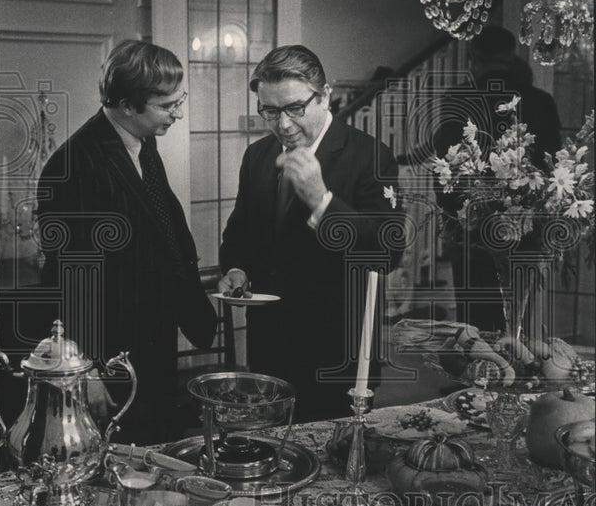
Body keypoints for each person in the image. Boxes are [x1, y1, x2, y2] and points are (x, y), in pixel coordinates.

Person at [37, 39, 217, 444]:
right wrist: (86, 367)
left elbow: (157, 228)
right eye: (167, 105)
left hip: (153, 338)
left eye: (179, 100)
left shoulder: (142, 141)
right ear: (126, 105)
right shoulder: (73, 164)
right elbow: (68, 279)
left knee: (158, 447)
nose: (178, 113)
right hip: (111, 354)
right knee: (122, 456)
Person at [218, 44, 401, 423]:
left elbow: (386, 254)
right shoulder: (257, 156)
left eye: (295, 108)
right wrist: (235, 267)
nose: (283, 124)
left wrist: (322, 201)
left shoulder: (370, 156)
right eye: (270, 111)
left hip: (334, 351)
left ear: (325, 96)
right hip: (268, 346)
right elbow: (239, 233)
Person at [434, 25, 562, 332]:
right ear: (513, 56)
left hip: (471, 224)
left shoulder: (458, 98)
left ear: (474, 59)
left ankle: (482, 360)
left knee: (476, 318)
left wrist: (451, 218)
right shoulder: (540, 101)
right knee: (523, 312)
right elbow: (552, 165)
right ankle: (520, 356)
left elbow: (448, 163)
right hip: (528, 224)